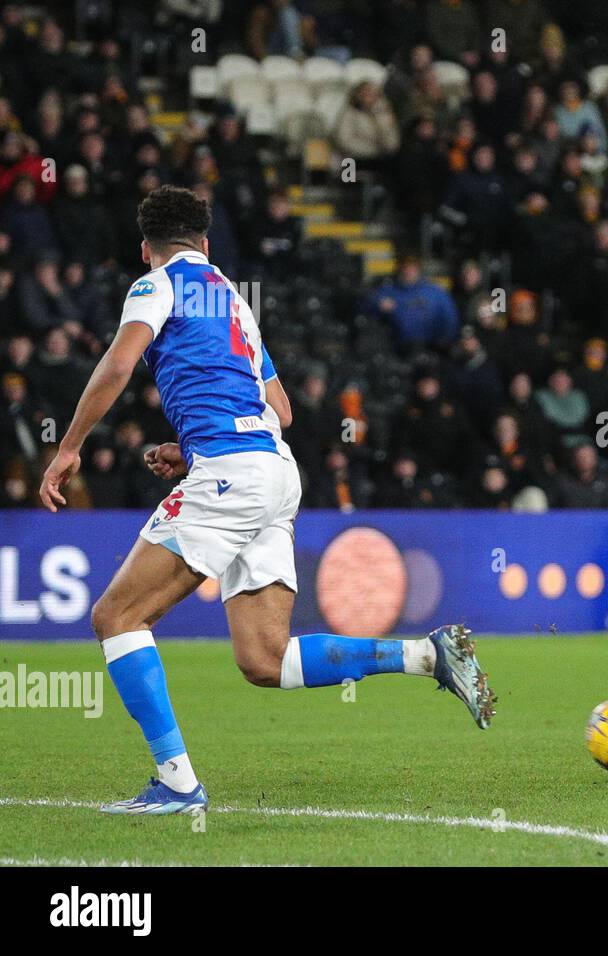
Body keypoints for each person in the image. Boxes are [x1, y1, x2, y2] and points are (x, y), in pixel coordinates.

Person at [38, 186, 495, 816]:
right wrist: (192, 445)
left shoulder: (157, 283)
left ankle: (176, 785)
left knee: (116, 619)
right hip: (275, 471)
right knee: (264, 659)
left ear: (148, 248)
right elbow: (279, 409)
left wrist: (68, 447)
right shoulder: (233, 300)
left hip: (231, 472)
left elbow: (118, 365)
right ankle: (425, 654)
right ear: (206, 242)